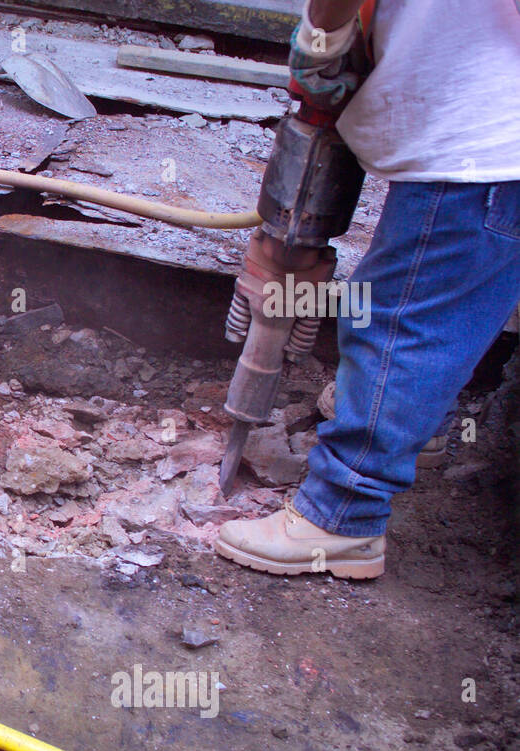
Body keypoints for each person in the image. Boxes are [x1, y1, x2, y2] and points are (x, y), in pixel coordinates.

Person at [216, 0, 520, 579]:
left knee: (397, 324)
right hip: (498, 146)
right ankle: (414, 428)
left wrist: (321, 36)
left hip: (476, 145)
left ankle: (341, 514)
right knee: (446, 303)